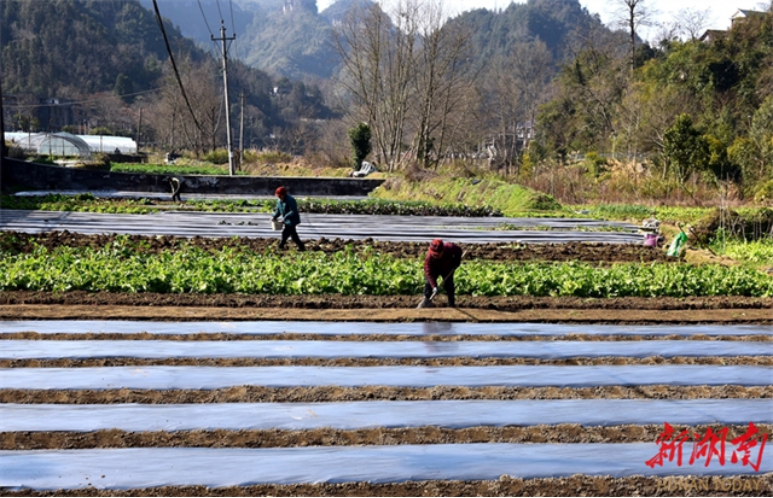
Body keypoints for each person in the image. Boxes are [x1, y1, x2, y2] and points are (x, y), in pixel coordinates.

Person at [418, 239, 463, 308]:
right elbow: (429, 273)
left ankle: (451, 304)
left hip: (447, 268)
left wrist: (456, 262)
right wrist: (434, 286)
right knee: (428, 283)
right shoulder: (429, 259)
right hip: (434, 270)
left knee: (449, 285)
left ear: (443, 251)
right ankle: (426, 300)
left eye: (437, 255)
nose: (435, 256)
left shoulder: (450, 248)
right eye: (434, 255)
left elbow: (459, 251)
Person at [272, 186, 305, 251]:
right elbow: (278, 210)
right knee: (293, 235)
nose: (278, 197)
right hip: (287, 220)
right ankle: (301, 247)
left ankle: (280, 246)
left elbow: (293, 211)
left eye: (280, 195)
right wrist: (274, 216)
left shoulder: (290, 200)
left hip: (292, 220)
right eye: (278, 196)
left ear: (284, 194)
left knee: (285, 233)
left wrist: (286, 217)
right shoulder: (279, 201)